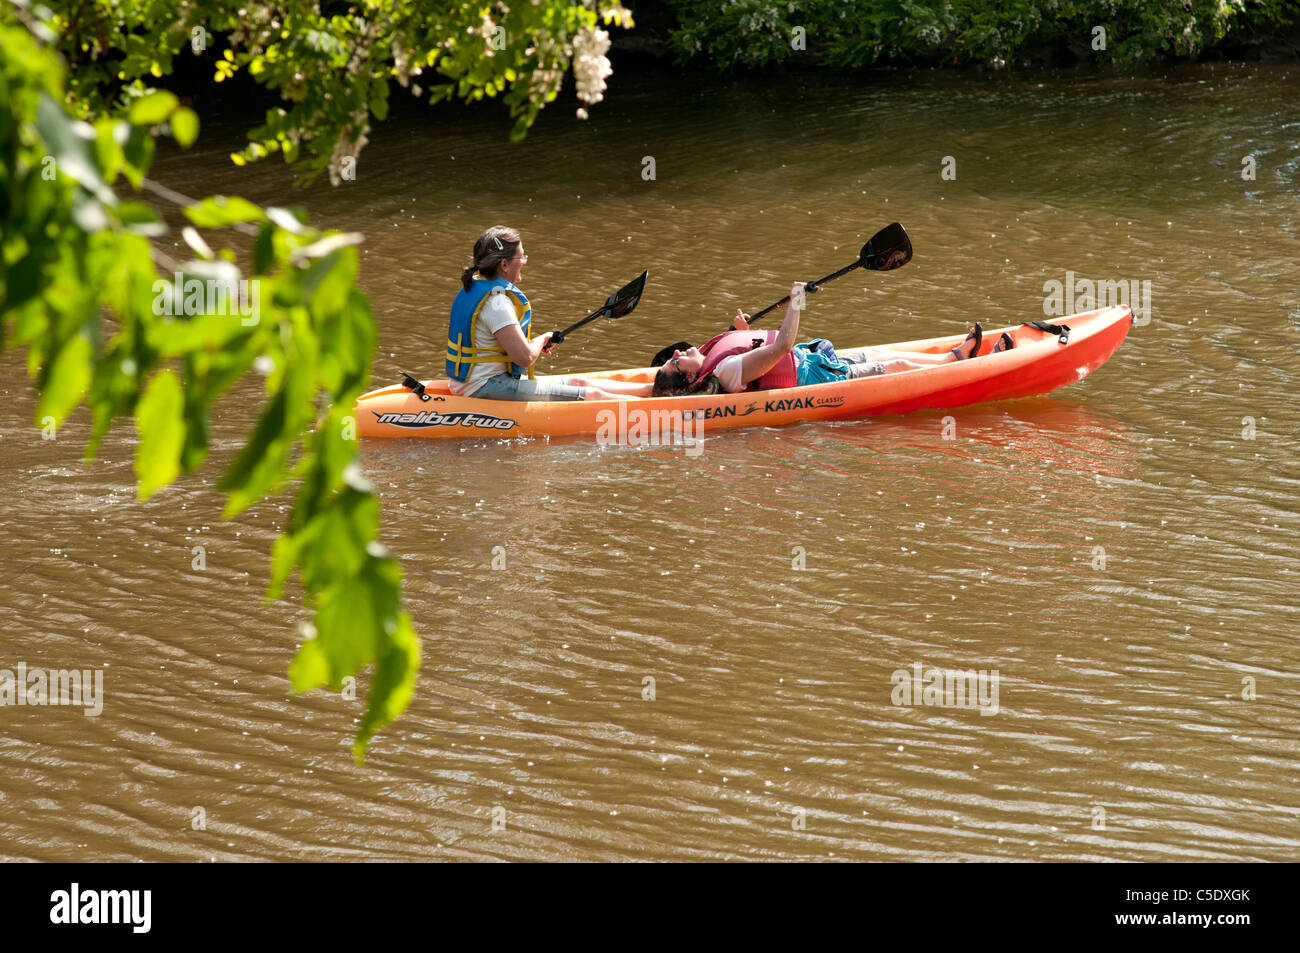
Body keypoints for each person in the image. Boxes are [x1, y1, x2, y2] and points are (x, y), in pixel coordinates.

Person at [650, 282, 1011, 397]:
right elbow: (781, 348)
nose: (679, 351)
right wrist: (796, 300)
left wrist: (740, 331)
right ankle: (967, 361)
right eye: (676, 361)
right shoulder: (725, 371)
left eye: (673, 354)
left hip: (814, 358)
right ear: (691, 378)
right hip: (817, 379)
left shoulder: (718, 357)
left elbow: (753, 348)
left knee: (884, 351)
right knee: (897, 365)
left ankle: (956, 357)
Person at [446, 226, 634, 401]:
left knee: (580, 383)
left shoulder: (473, 288)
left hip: (468, 383)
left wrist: (537, 343)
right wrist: (543, 339)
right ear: (504, 264)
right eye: (522, 257)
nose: (525, 262)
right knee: (592, 395)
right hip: (484, 387)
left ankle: (654, 390)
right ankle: (658, 410)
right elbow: (525, 358)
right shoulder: (497, 303)